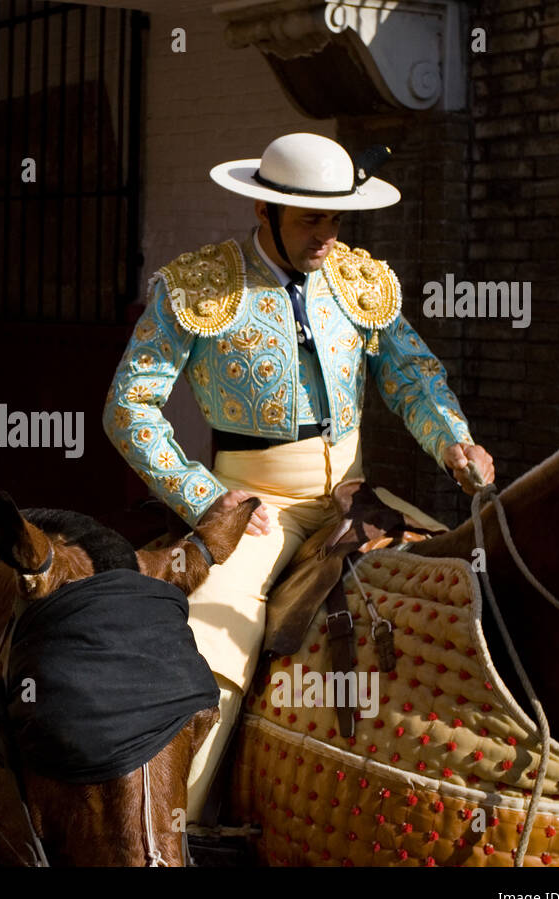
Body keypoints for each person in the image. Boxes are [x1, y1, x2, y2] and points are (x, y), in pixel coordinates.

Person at [102, 132, 495, 822]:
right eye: (311, 219)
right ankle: (171, 829)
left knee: (467, 590)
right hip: (258, 506)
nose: (327, 236)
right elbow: (127, 406)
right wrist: (205, 496)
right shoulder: (200, 285)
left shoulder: (359, 281)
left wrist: (454, 442)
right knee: (209, 652)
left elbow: (410, 374)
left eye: (336, 218)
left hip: (354, 497)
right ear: (264, 211)